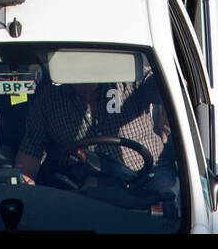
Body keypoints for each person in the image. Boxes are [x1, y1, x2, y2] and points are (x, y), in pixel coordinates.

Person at [14, 74, 173, 184]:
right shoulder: (49, 100)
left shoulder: (132, 80)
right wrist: (24, 186)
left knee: (169, 200)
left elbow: (166, 85)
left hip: (146, 179)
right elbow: (30, 151)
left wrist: (169, 100)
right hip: (84, 190)